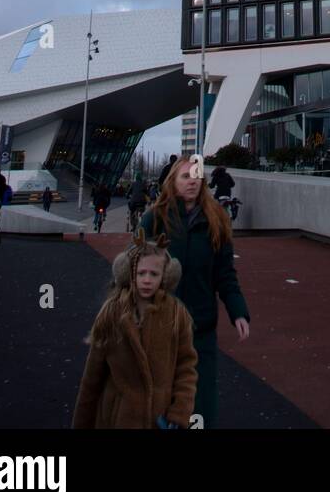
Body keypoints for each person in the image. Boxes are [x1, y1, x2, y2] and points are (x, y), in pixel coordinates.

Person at [141, 157, 250, 429]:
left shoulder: (217, 220)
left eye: (196, 176)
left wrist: (238, 311)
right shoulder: (155, 218)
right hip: (160, 324)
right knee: (159, 398)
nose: (192, 181)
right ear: (173, 182)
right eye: (185, 177)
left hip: (200, 326)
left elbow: (225, 274)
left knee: (200, 403)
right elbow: (136, 267)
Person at [72, 230, 197, 429]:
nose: (147, 280)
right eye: (141, 273)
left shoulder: (176, 315)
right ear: (129, 273)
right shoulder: (112, 314)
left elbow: (186, 369)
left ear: (165, 276)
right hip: (117, 420)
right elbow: (92, 378)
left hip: (159, 420)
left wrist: (179, 412)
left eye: (154, 274)